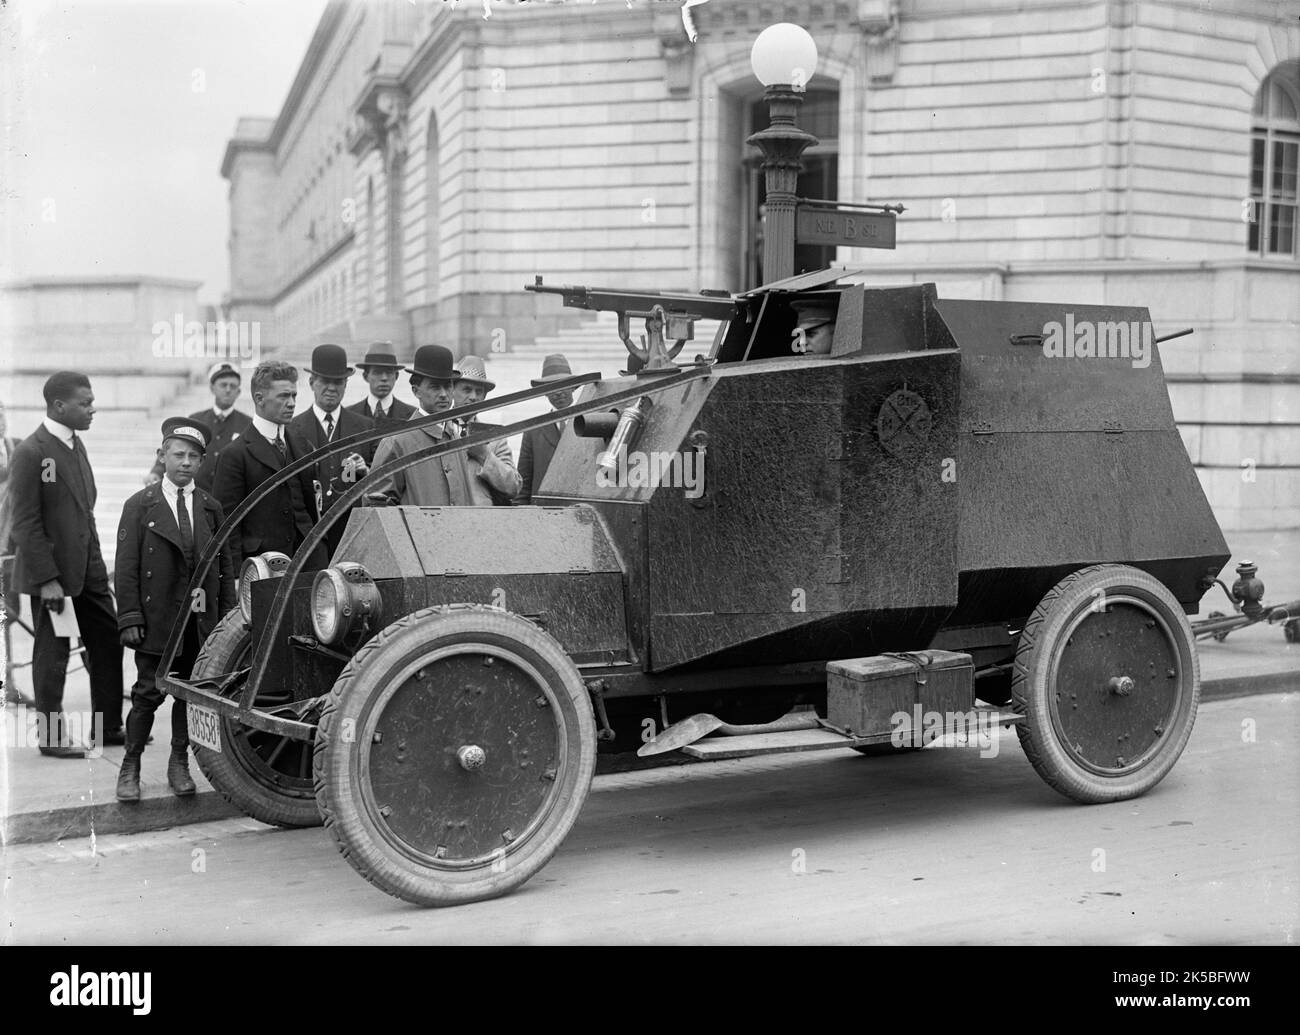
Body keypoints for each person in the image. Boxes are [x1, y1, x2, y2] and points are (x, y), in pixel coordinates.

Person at [115, 418, 236, 801]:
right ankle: (130, 765)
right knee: (147, 694)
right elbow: (126, 567)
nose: (185, 462)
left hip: (198, 623)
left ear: (201, 462)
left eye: (193, 457)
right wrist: (131, 617)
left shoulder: (211, 507)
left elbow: (224, 567)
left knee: (188, 692)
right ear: (162, 456)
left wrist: (225, 623)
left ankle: (179, 762)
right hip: (157, 621)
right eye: (178, 454)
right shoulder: (139, 505)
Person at [8, 371, 123, 755]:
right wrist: (48, 579)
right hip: (54, 577)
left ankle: (108, 728)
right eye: (85, 403)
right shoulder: (32, 452)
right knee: (52, 653)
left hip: (88, 571)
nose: (93, 409)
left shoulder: (75, 445)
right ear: (59, 405)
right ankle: (52, 738)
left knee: (107, 641)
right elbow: (24, 522)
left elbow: (81, 512)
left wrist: (97, 564)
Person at [369, 345, 521, 506]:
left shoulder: (456, 440)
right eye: (435, 387)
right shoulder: (396, 442)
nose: (443, 394)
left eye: (447, 386)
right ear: (416, 391)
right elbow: (377, 508)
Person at [211, 360, 322, 569]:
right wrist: (236, 576)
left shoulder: (301, 443)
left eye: (294, 396)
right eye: (283, 396)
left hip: (307, 564)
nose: (291, 403)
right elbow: (227, 527)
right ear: (259, 398)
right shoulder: (234, 454)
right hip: (261, 569)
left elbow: (310, 508)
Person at [288, 344, 375, 557]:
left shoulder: (365, 427)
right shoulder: (292, 429)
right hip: (308, 537)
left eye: (338, 382)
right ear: (311, 383)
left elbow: (381, 480)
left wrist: (367, 470)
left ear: (346, 385)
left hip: (352, 534)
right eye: (325, 381)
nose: (331, 388)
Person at [147, 361, 253, 491]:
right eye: (223, 385)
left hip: (231, 497)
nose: (228, 390)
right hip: (198, 495)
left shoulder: (248, 424)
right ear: (212, 388)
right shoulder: (196, 420)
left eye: (233, 386)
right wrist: (156, 471)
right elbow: (173, 447)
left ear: (238, 392)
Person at [452, 355, 518, 506]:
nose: (473, 397)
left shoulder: (495, 438)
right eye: (466, 390)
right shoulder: (437, 430)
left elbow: (513, 486)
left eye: (479, 392)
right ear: (452, 391)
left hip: (482, 523)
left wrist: (484, 456)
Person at [515, 353, 575, 504]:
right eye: (552, 387)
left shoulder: (591, 422)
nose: (559, 392)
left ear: (573, 387)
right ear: (545, 392)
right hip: (543, 512)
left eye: (563, 385)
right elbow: (524, 482)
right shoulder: (533, 430)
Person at [346, 343, 415, 428]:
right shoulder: (349, 415)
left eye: (389, 372)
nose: (384, 378)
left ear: (396, 376)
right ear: (365, 376)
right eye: (377, 372)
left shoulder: (412, 416)